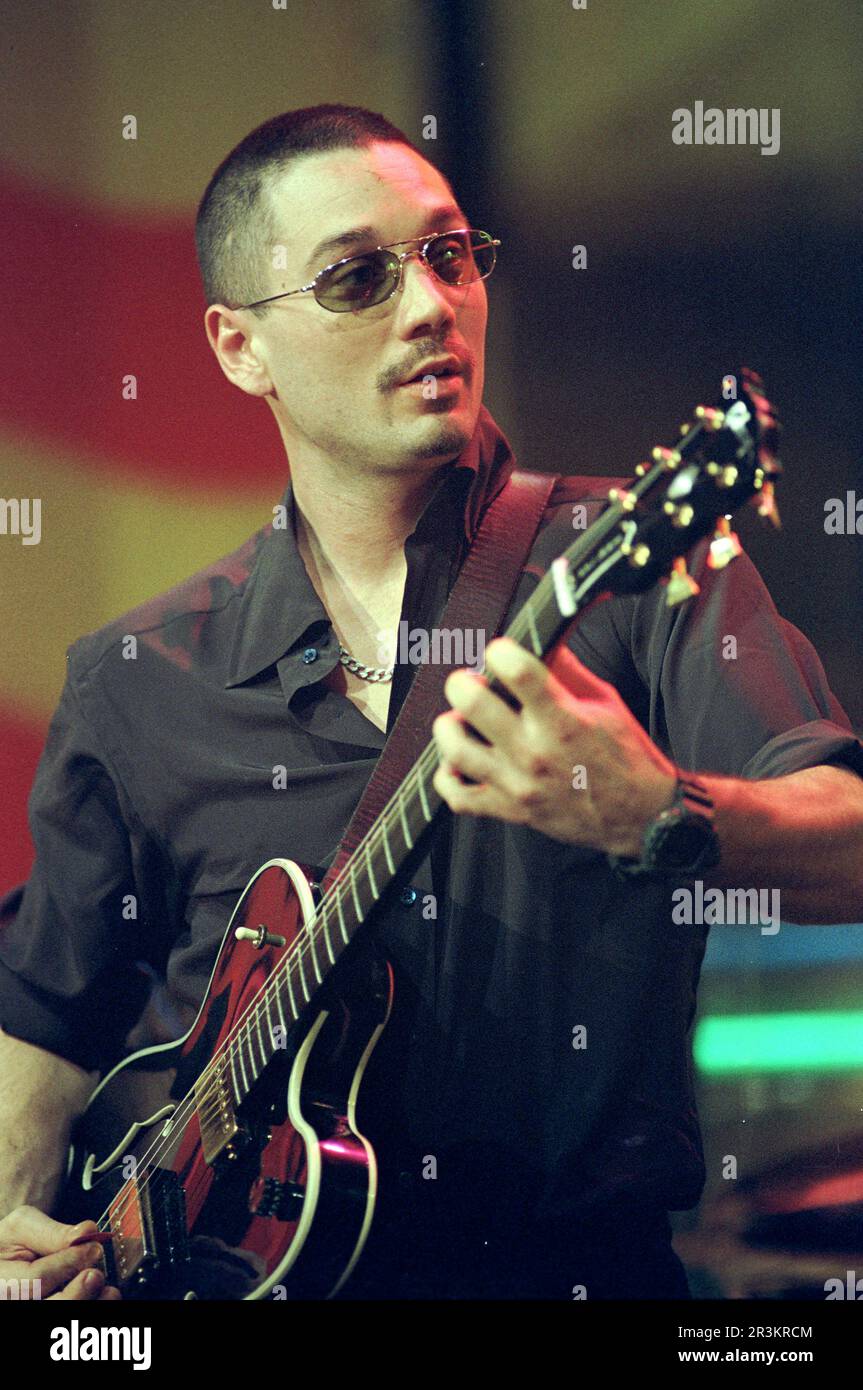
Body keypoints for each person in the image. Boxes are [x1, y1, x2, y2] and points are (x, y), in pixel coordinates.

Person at [1, 104, 862, 1302]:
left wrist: (661, 814)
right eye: (358, 277)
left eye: (449, 255)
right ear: (239, 347)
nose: (429, 305)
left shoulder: (639, 567)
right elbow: (42, 1016)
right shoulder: (137, 679)